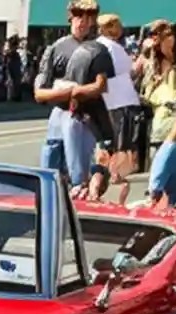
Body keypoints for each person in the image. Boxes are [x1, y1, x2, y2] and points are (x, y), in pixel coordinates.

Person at [33, 0, 113, 190]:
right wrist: (68, 92)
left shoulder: (99, 49)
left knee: (82, 173)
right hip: (60, 114)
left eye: (88, 17)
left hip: (88, 118)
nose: (83, 21)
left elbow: (101, 86)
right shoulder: (55, 49)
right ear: (70, 18)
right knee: (51, 171)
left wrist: (80, 92)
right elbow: (39, 92)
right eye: (78, 15)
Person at [138, 19, 176, 210]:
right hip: (158, 133)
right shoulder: (153, 74)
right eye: (154, 35)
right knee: (173, 193)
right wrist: (143, 56)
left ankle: (152, 195)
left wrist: (174, 138)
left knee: (160, 173)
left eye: (162, 35)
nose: (155, 40)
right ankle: (174, 207)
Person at [93, 13, 144, 200]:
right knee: (120, 147)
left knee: (106, 144)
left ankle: (103, 176)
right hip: (121, 103)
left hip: (107, 102)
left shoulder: (97, 47)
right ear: (109, 28)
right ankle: (114, 178)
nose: (120, 29)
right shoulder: (113, 48)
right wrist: (141, 61)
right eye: (117, 26)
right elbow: (129, 71)